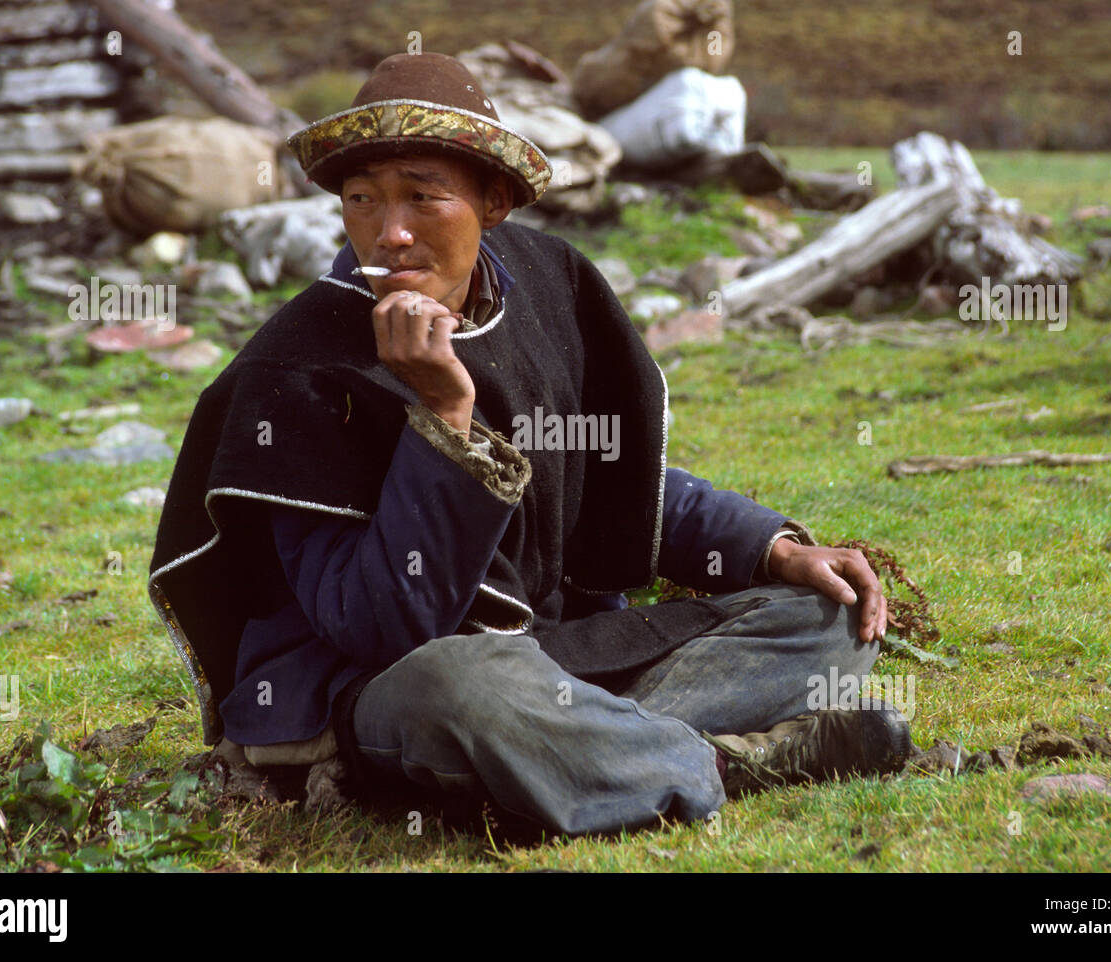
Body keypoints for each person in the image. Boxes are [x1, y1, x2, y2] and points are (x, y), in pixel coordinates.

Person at [148, 52, 911, 836]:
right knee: (467, 686)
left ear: (496, 200)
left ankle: (591, 751)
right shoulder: (299, 368)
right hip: (385, 685)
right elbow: (384, 628)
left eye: (422, 196)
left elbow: (603, 476)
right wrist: (446, 415)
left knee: (825, 613)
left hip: (551, 656)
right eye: (362, 199)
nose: (392, 233)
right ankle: (726, 762)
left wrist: (771, 550)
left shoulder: (548, 290)